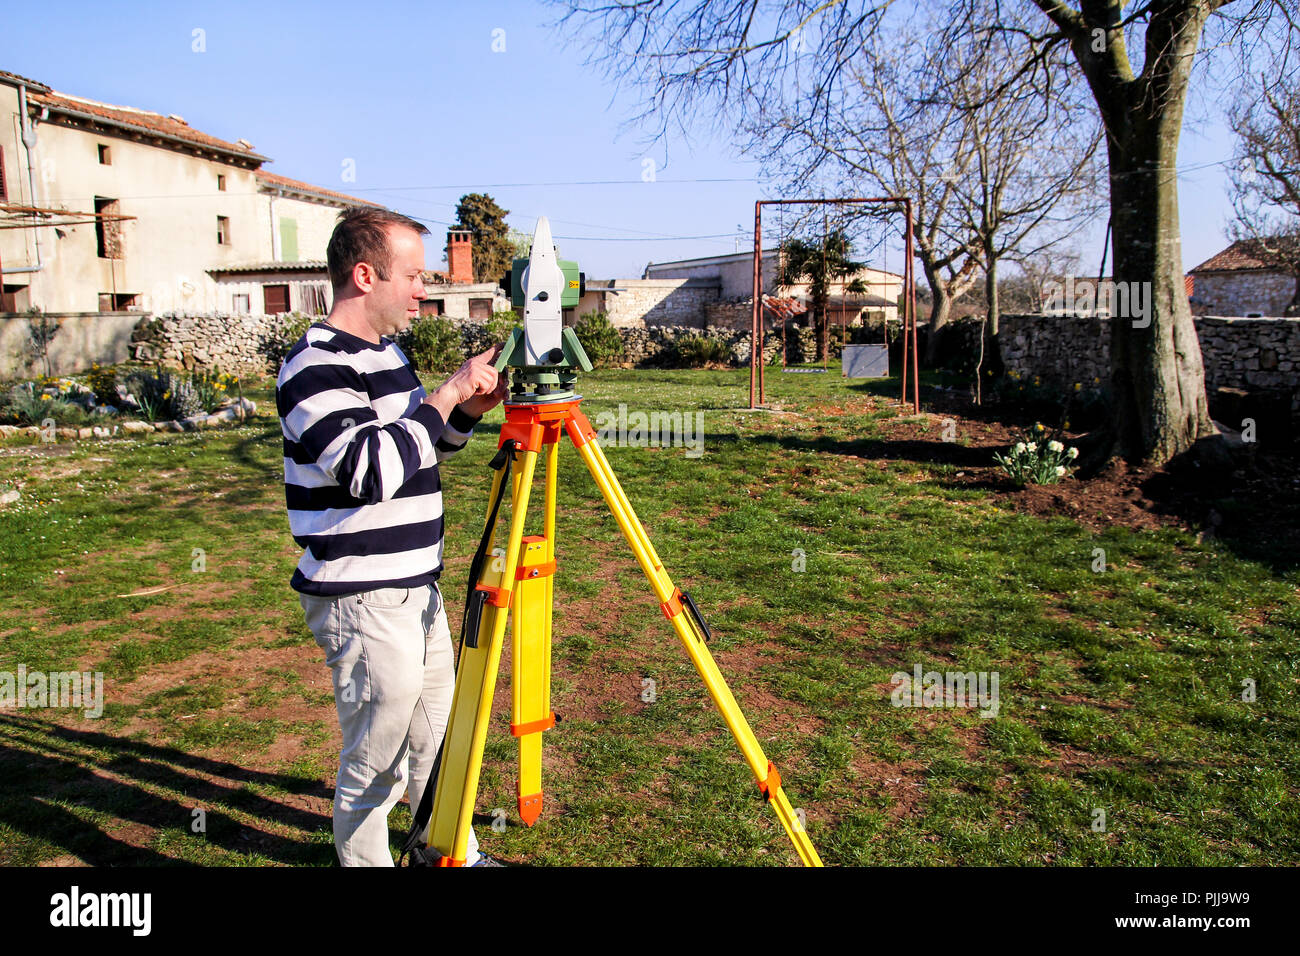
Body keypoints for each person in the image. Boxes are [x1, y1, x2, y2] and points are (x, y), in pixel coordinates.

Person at [276, 206, 507, 866]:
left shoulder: (388, 355)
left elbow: (419, 451)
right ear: (364, 274)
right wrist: (441, 397)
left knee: (439, 739)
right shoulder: (313, 367)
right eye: (412, 275)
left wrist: (462, 411)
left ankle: (448, 851)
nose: (422, 290)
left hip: (415, 586)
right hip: (361, 596)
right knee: (376, 760)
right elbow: (369, 469)